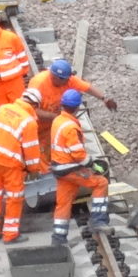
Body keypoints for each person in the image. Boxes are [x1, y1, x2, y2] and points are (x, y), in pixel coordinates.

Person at [0, 87, 48, 243]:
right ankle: (10, 234)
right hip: (11, 163)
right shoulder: (28, 121)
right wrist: (33, 169)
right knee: (14, 197)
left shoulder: (2, 109)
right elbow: (31, 152)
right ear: (35, 106)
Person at [49, 88, 110, 245]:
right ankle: (98, 220)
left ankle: (58, 237)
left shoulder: (58, 121)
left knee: (64, 202)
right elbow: (78, 155)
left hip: (59, 169)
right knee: (100, 183)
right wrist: (92, 164)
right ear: (77, 107)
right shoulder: (70, 127)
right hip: (70, 168)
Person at [29, 58, 118, 161]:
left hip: (54, 124)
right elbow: (31, 110)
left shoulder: (67, 80)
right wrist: (57, 117)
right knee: (41, 155)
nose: (69, 80)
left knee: (54, 152)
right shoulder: (38, 84)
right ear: (56, 77)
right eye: (66, 79)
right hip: (38, 126)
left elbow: (87, 88)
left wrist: (104, 99)